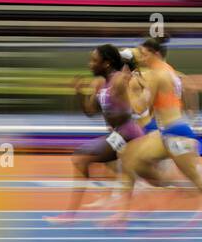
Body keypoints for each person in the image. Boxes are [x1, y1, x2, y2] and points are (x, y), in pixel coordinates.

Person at [114, 35, 202, 224]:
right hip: (168, 131)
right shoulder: (169, 70)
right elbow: (189, 86)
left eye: (143, 53)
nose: (141, 56)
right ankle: (126, 210)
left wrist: (125, 91)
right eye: (138, 53)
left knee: (201, 184)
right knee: (132, 160)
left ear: (154, 53)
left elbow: (140, 108)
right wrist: (194, 114)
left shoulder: (156, 75)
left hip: (176, 133)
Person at [44, 44, 143, 225]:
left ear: (106, 63)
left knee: (82, 159)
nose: (90, 64)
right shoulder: (100, 84)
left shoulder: (119, 79)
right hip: (117, 135)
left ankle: (72, 215)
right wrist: (80, 92)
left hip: (128, 133)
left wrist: (128, 84)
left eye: (94, 61)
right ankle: (120, 211)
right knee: (84, 160)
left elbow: (132, 108)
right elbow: (90, 111)